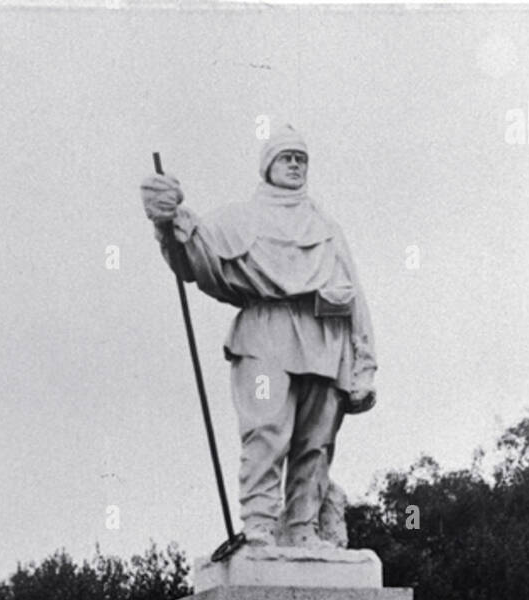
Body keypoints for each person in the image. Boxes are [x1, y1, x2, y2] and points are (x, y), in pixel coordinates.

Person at [140, 126, 377, 548]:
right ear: (268, 166)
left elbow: (355, 294)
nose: (294, 165)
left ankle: (303, 527)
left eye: (301, 158)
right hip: (266, 335)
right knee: (266, 431)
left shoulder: (327, 226)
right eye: (285, 157)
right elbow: (195, 259)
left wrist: (365, 362)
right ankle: (261, 528)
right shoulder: (239, 218)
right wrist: (167, 220)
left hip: (324, 339)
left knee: (316, 442)